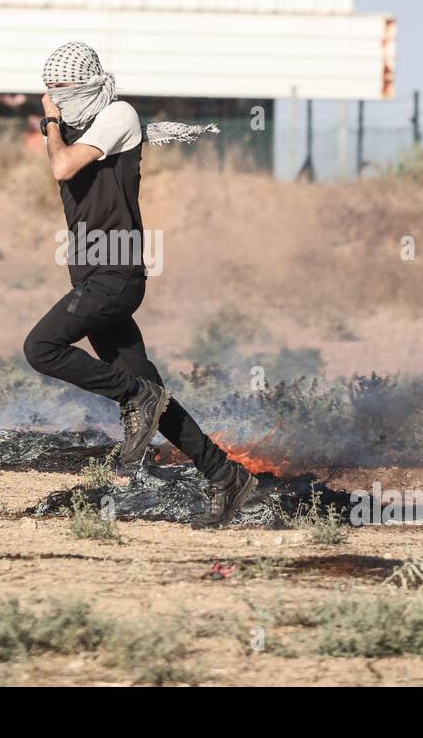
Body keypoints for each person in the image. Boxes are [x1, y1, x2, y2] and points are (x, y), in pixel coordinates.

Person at [22, 42, 257, 527]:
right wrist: (56, 126)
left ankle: (134, 397)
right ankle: (224, 476)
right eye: (49, 91)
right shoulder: (76, 129)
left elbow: (61, 166)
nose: (54, 98)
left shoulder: (117, 115)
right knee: (153, 393)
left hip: (116, 275)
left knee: (41, 347)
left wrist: (48, 124)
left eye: (61, 90)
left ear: (85, 83)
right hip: (89, 271)